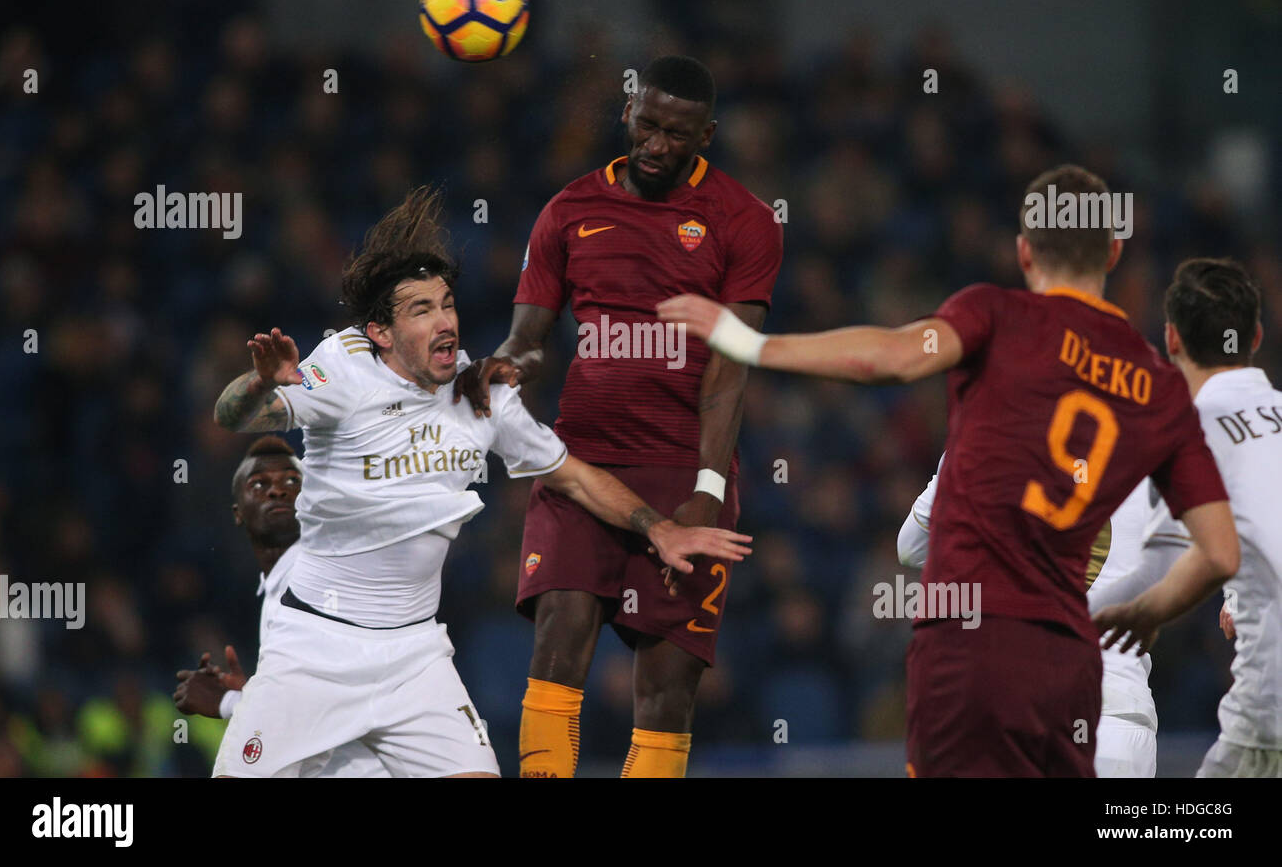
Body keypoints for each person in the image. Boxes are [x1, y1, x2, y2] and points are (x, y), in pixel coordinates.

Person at [659, 164, 1239, 776]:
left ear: (1023, 252)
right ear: (1115, 251)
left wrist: (751, 344)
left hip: (974, 657)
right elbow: (1222, 552)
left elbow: (896, 357)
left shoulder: (993, 320)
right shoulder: (1158, 387)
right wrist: (1141, 613)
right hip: (1078, 675)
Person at [209, 187, 751, 778]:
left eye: (447, 303)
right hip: (315, 646)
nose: (446, 322)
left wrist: (659, 527)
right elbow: (233, 417)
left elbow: (575, 477)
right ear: (380, 333)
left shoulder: (481, 396)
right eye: (421, 310)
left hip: (415, 657)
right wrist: (261, 385)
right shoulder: (343, 366)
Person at [458, 55, 782, 778]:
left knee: (666, 693)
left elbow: (731, 368)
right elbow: (529, 338)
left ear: (707, 135)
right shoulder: (568, 210)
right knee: (556, 644)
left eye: (679, 133)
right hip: (581, 465)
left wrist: (706, 483)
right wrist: (509, 362)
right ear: (629, 113)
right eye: (650, 124)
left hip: (682, 469)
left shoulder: (746, 221)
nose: (658, 143)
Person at [1089, 258, 1282, 778]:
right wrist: (1241, 593)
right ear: (1256, 335)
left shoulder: (1186, 433)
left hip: (1269, 709)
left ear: (1171, 340)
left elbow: (1164, 569)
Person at [899, 454, 1160, 777]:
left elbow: (911, 547)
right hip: (1118, 713)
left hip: (1018, 713)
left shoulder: (992, 432)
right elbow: (1215, 540)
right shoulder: (1150, 435)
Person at [172, 435, 387, 776]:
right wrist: (259, 690)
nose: (278, 491)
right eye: (259, 484)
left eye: (292, 481)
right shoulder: (279, 584)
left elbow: (326, 703)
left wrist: (227, 703)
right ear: (237, 512)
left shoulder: (315, 577)